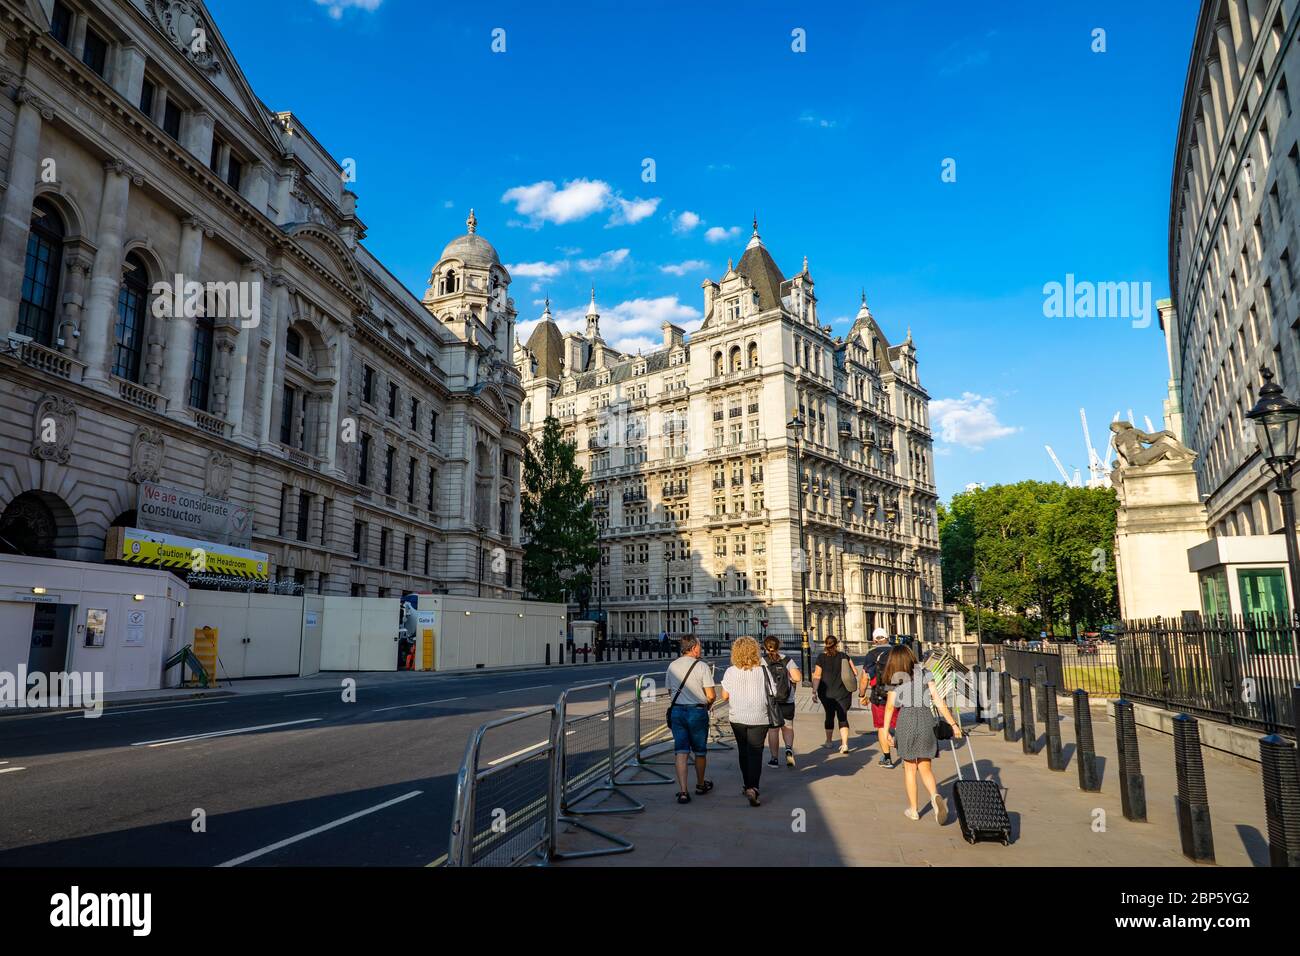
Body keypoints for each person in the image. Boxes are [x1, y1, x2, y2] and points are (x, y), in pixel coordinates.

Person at [880, 644, 962, 823]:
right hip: (926, 718)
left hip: (906, 719)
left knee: (910, 768)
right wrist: (953, 724)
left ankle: (914, 810)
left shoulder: (895, 679)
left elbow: (889, 707)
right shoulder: (925, 673)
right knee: (925, 766)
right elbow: (938, 701)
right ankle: (934, 796)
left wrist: (886, 731)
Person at [720, 636, 778, 807]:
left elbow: (724, 696)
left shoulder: (730, 671)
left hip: (737, 717)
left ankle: (747, 785)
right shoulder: (764, 670)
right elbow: (773, 692)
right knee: (756, 752)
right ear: (755, 651)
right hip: (759, 717)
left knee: (743, 751)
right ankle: (753, 787)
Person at [665, 636, 716, 804]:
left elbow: (669, 691)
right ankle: (701, 785)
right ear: (693, 648)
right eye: (699, 646)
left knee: (681, 751)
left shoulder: (672, 665)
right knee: (700, 751)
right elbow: (710, 695)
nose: (700, 649)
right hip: (696, 711)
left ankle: (683, 791)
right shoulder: (702, 666)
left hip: (677, 712)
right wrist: (708, 705)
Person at [858, 627, 898, 767]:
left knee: (881, 726)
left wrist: (861, 694)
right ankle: (908, 755)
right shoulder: (898, 651)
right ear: (888, 637)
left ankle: (887, 758)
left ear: (875, 640)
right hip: (899, 693)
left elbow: (864, 678)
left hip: (879, 694)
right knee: (900, 723)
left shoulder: (871, 655)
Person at [810, 635, 857, 753]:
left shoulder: (821, 658)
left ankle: (829, 742)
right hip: (843, 692)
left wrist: (814, 691)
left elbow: (817, 676)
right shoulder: (844, 656)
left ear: (826, 644)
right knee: (842, 716)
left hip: (827, 693)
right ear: (836, 644)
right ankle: (845, 744)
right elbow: (855, 672)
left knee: (829, 715)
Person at [763, 636, 802, 768]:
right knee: (788, 727)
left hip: (771, 700)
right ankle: (789, 750)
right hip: (787, 699)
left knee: (773, 730)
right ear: (779, 645)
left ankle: (774, 759)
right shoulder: (787, 659)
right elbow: (797, 678)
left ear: (765, 647)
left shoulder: (762, 661)